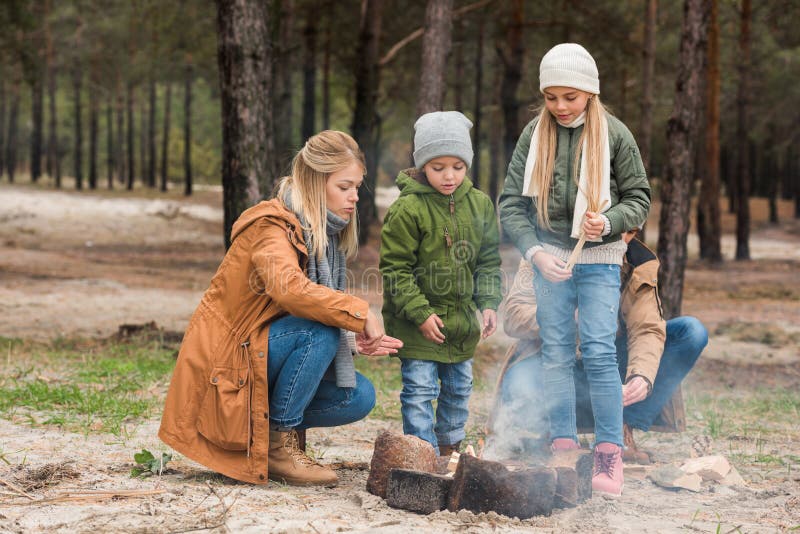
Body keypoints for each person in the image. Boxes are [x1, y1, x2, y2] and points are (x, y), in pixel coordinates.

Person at [159, 131, 402, 487]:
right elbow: (289, 291)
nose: (354, 198)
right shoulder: (271, 225)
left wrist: (352, 342)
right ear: (316, 181)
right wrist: (358, 311)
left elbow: (293, 318)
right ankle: (278, 447)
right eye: (345, 186)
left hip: (257, 353)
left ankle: (277, 437)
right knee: (318, 329)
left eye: (357, 187)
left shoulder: (325, 235)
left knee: (357, 396)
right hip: (226, 366)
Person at [498, 43, 651, 496]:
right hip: (551, 259)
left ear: (590, 92)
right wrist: (534, 253)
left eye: (570, 97)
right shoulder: (534, 134)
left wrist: (608, 221)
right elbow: (511, 204)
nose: (560, 107)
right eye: (551, 97)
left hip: (600, 258)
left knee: (600, 351)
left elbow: (639, 197)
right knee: (558, 351)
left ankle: (608, 453)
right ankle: (562, 444)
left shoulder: (616, 135)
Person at [488, 230, 708, 465]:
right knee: (519, 382)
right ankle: (555, 431)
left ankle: (622, 429)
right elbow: (512, 316)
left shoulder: (639, 261)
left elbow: (647, 328)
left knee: (690, 332)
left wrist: (641, 375)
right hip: (554, 362)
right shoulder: (545, 248)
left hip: (611, 368)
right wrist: (563, 317)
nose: (619, 237)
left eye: (627, 231)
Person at [380, 111, 503, 456]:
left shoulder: (479, 205)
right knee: (419, 389)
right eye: (438, 167)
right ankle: (421, 453)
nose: (449, 176)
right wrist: (419, 313)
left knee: (459, 389)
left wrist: (488, 302)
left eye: (458, 167)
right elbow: (395, 269)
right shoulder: (408, 209)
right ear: (422, 165)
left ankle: (448, 452)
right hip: (417, 324)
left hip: (460, 324)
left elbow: (488, 260)